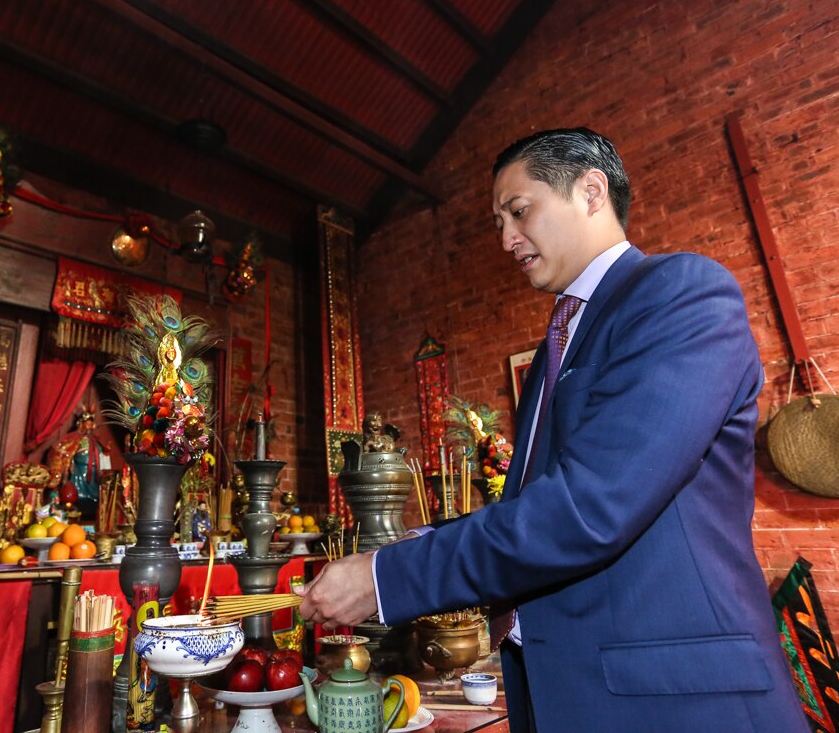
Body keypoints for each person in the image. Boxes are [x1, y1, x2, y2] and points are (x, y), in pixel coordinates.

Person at [296, 129, 807, 733]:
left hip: (675, 699)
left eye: (519, 211)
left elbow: (591, 506)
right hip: (571, 693)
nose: (507, 239)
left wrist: (386, 578)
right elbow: (535, 504)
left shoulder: (679, 294)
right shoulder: (555, 347)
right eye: (498, 223)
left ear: (591, 191)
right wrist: (399, 546)